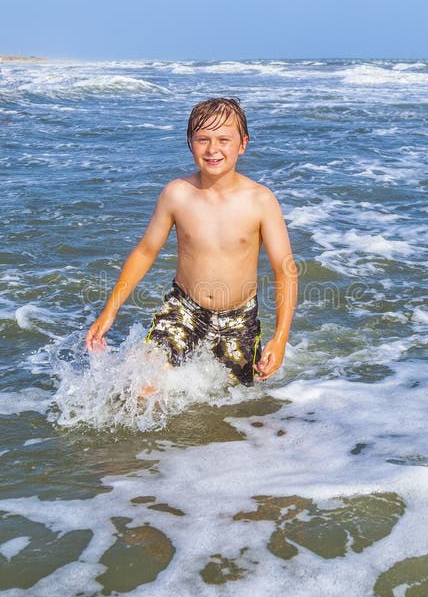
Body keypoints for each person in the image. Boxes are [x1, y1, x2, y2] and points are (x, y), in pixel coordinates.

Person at [85, 97, 297, 384]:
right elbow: (145, 252)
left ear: (242, 144)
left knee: (236, 406)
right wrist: (109, 312)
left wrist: (280, 339)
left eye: (224, 139)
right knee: (145, 383)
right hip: (184, 310)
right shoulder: (177, 194)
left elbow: (284, 270)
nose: (213, 149)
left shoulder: (260, 201)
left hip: (238, 320)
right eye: (203, 139)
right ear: (190, 143)